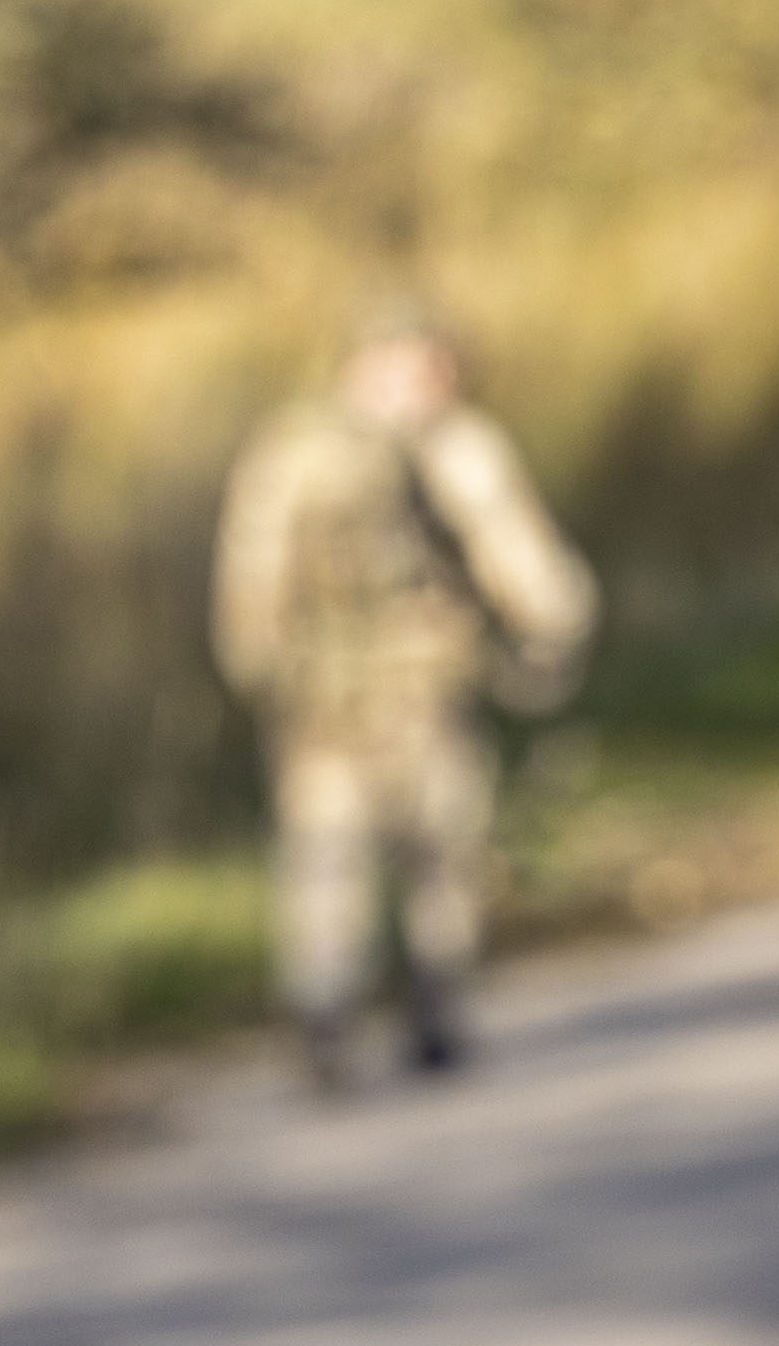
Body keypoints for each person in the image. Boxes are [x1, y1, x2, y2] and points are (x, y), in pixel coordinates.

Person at [210, 294, 598, 1085]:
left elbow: (513, 547)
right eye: (409, 363)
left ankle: (410, 1009)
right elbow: (253, 563)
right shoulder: (321, 448)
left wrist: (551, 621)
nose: (423, 380)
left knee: (422, 854)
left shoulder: (437, 448)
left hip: (409, 692)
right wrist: (254, 658)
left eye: (429, 365)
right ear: (363, 363)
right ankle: (343, 1015)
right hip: (337, 696)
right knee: (338, 858)